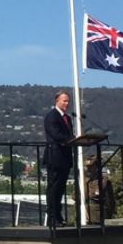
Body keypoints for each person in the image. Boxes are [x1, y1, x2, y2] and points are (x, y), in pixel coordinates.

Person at [43, 90, 74, 228]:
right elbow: (56, 134)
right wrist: (71, 139)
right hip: (55, 157)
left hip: (65, 158)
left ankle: (58, 215)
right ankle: (52, 217)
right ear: (57, 101)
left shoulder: (67, 118)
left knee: (60, 189)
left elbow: (68, 134)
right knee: (53, 188)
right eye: (64, 101)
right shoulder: (52, 116)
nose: (67, 104)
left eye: (68, 101)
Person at [83, 155, 116, 223]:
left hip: (99, 214)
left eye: (90, 167)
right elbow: (76, 197)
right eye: (87, 167)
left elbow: (109, 200)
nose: (88, 169)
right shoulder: (83, 180)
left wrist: (108, 213)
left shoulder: (104, 181)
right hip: (85, 214)